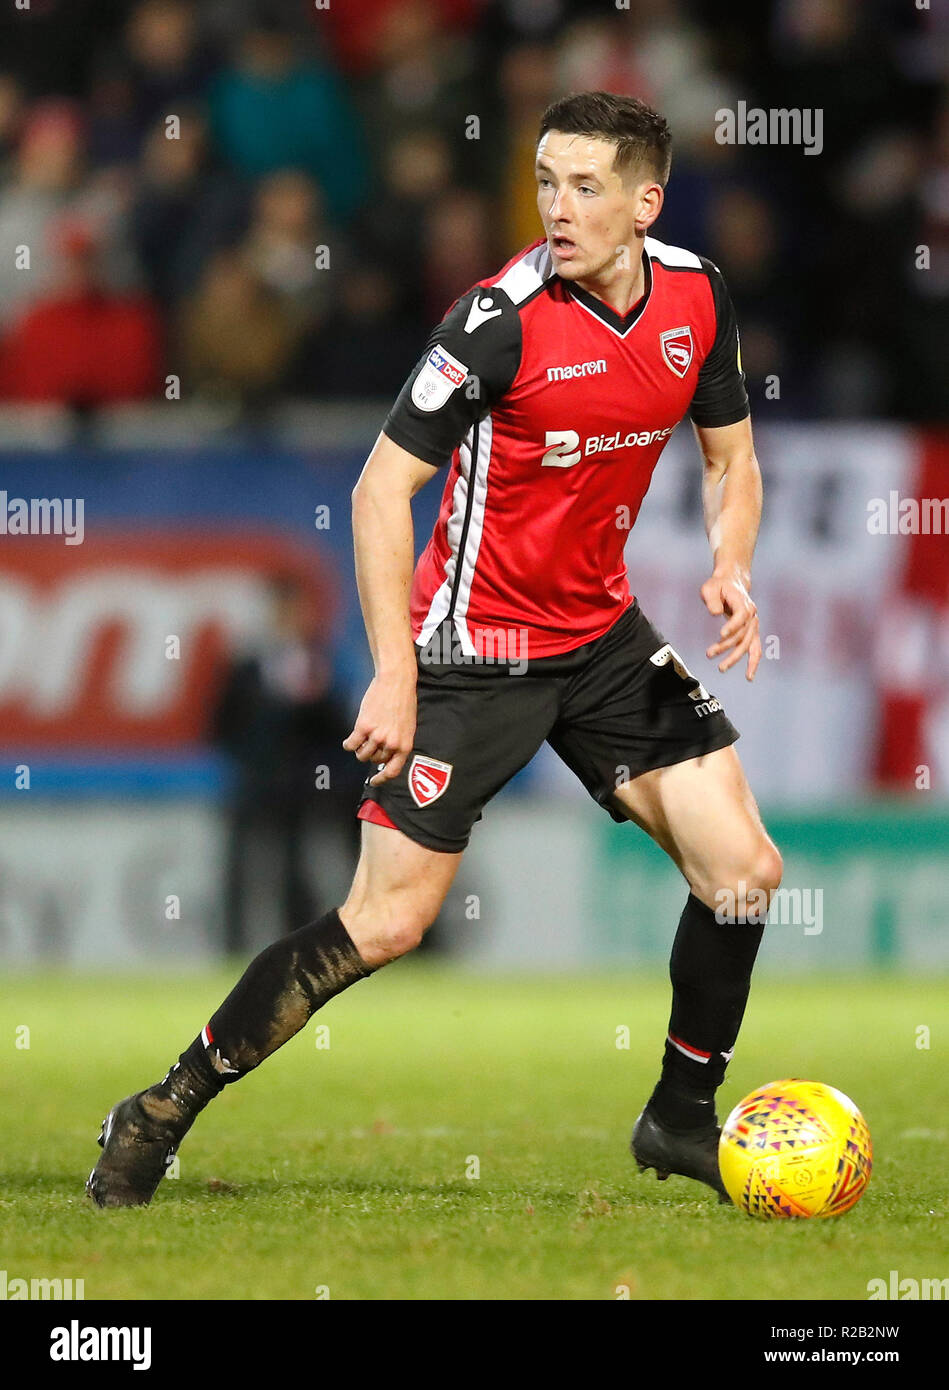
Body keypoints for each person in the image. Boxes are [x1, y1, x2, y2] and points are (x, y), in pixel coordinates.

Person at [87, 90, 782, 1208]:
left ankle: (678, 1116)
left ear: (646, 203)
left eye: (585, 186)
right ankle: (162, 1106)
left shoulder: (697, 296)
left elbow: (731, 459)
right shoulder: (496, 320)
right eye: (545, 182)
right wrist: (396, 673)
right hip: (473, 647)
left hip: (601, 636)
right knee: (386, 922)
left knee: (743, 875)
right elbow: (379, 490)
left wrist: (730, 564)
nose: (556, 207)